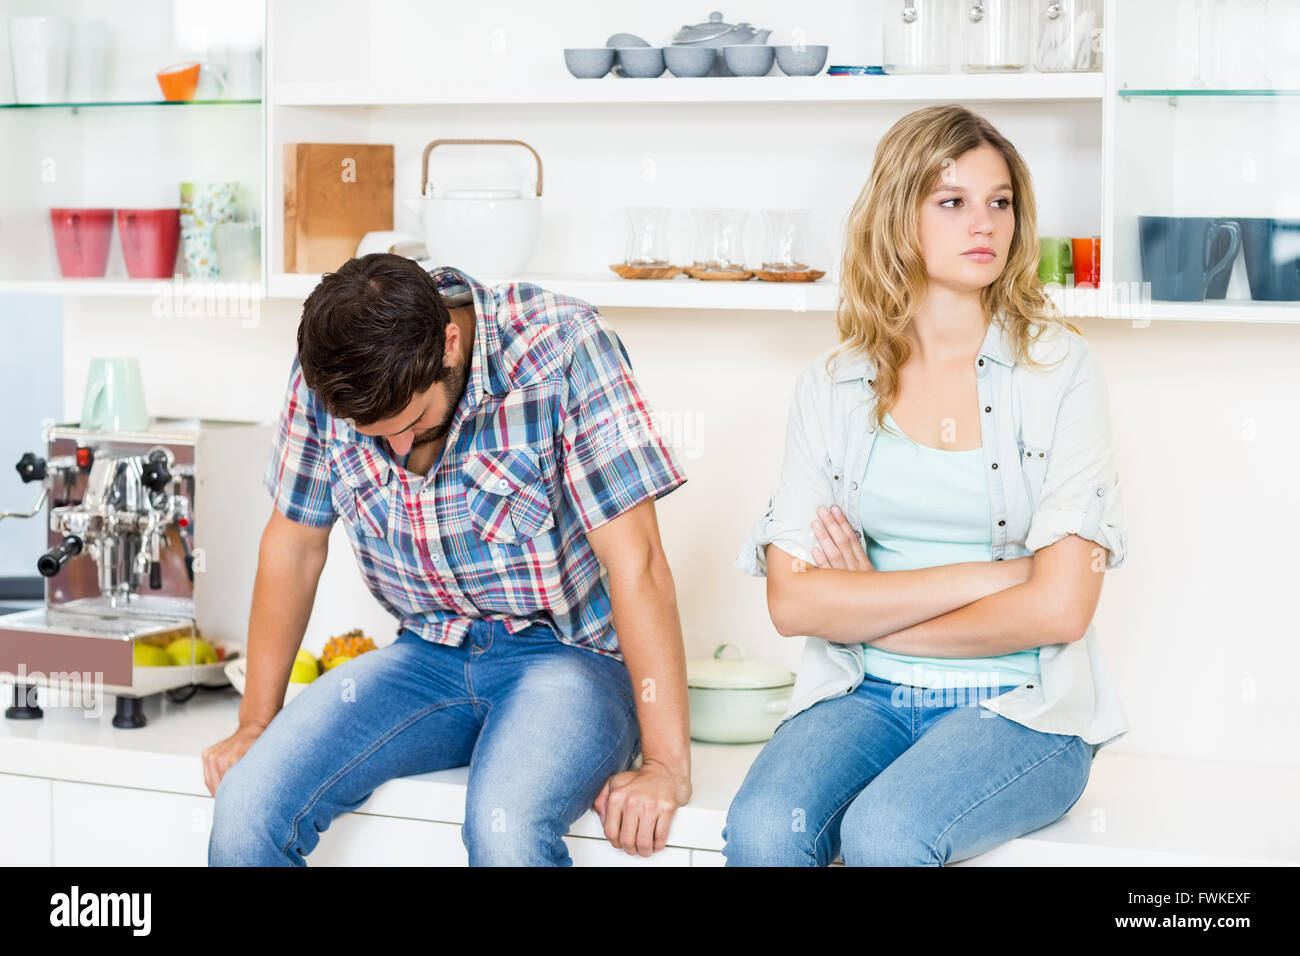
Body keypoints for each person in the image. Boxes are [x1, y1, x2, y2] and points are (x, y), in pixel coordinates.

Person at [724, 104, 1129, 866]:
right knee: (762, 829)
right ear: (897, 217)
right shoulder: (834, 384)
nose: (986, 223)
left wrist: (871, 607)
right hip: (863, 694)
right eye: (953, 201)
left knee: (884, 832)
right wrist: (995, 576)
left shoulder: (1061, 372)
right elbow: (795, 603)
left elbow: (1061, 607)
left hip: (1020, 711)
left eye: (1000, 201)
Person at [203, 255, 691, 865]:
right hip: (425, 653)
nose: (397, 449)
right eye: (374, 434)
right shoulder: (328, 367)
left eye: (410, 423)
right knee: (247, 805)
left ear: (449, 345)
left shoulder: (563, 345)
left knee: (504, 829)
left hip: (569, 660)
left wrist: (666, 765)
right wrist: (255, 721)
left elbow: (638, 561)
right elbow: (294, 546)